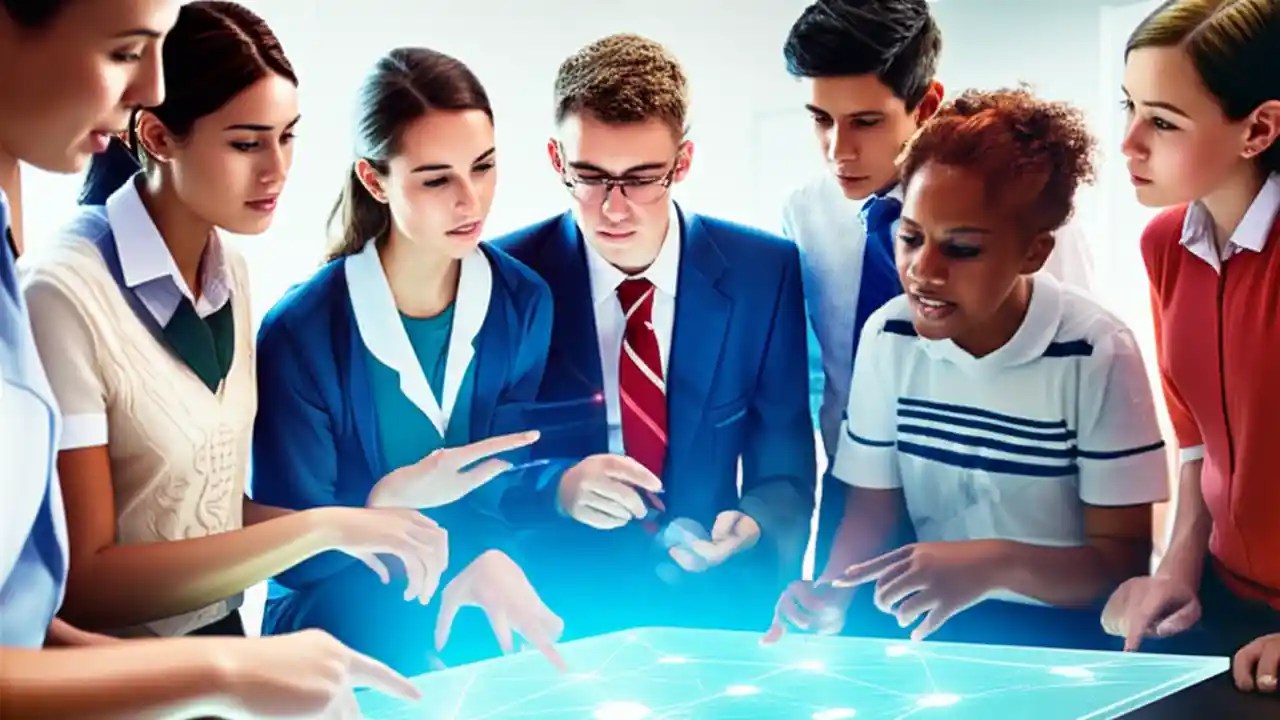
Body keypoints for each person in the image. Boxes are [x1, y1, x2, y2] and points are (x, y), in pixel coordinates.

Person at [0, 1, 415, 716]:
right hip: (113, 681)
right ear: (157, 136)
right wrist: (317, 529)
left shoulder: (233, 275)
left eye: (287, 136)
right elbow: (83, 584)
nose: (277, 170)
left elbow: (199, 515)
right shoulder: (61, 292)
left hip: (217, 648)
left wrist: (362, 523)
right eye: (247, 143)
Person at [766, 88, 1168, 651]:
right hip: (935, 635)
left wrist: (990, 565)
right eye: (910, 238)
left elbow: (1119, 562)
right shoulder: (888, 334)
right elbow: (872, 506)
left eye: (961, 250)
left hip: (1068, 643)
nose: (923, 271)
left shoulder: (1096, 351)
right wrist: (833, 592)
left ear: (1034, 252)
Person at [251, 46, 563, 675]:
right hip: (337, 609)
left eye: (483, 167)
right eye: (436, 179)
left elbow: (499, 485)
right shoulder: (302, 333)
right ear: (375, 181)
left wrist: (491, 556)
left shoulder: (523, 302)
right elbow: (296, 561)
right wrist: (384, 502)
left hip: (463, 577)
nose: (470, 200)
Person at [493, 33, 815, 638]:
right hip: (552, 610)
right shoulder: (502, 279)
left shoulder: (763, 272)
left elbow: (784, 467)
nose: (614, 209)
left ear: (682, 162)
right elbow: (474, 464)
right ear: (557, 160)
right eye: (590, 177)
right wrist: (557, 487)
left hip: (712, 610)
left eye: (642, 179)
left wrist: (753, 525)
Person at [780, 0, 1097, 573]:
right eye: (821, 119)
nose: (838, 150)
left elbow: (1079, 363)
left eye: (865, 122)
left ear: (925, 106)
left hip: (996, 496)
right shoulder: (805, 212)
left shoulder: (1018, 206)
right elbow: (818, 369)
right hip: (857, 492)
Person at [1100, 0, 1280, 695]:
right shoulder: (1165, 245)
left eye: (1164, 122)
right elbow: (1197, 440)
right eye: (1130, 107)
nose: (1129, 142)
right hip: (1226, 599)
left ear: (1258, 129)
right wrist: (1176, 567)